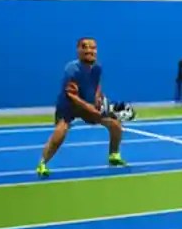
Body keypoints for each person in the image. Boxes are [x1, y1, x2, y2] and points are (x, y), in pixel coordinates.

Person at [36, 37, 127, 178]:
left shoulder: (97, 67)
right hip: (69, 106)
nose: (89, 50)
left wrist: (98, 98)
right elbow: (71, 95)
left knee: (115, 125)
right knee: (61, 131)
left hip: (89, 106)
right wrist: (90, 108)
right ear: (78, 50)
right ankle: (42, 163)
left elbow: (97, 85)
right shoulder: (72, 69)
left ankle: (113, 155)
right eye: (85, 47)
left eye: (93, 47)